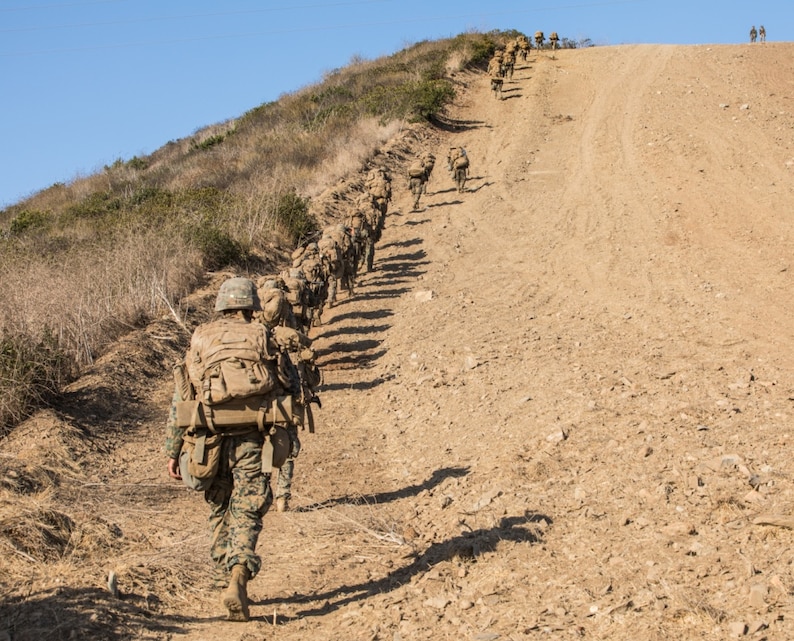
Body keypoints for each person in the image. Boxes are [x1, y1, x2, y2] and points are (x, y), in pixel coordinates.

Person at [165, 276, 299, 622]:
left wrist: (172, 448)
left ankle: (220, 575)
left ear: (222, 304)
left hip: (208, 439)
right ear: (252, 305)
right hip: (252, 436)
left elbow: (183, 395)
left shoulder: (201, 337)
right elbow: (288, 383)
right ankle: (239, 571)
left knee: (218, 504)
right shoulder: (263, 335)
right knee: (248, 505)